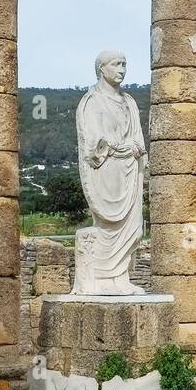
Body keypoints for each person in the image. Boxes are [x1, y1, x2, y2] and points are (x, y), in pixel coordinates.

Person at [72, 50, 146, 295]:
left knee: (134, 227)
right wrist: (117, 147)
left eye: (125, 64)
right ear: (101, 68)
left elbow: (137, 138)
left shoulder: (130, 101)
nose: (122, 69)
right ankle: (101, 280)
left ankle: (120, 278)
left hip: (129, 170)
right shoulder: (91, 101)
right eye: (116, 64)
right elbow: (92, 144)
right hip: (107, 171)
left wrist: (134, 151)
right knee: (107, 225)